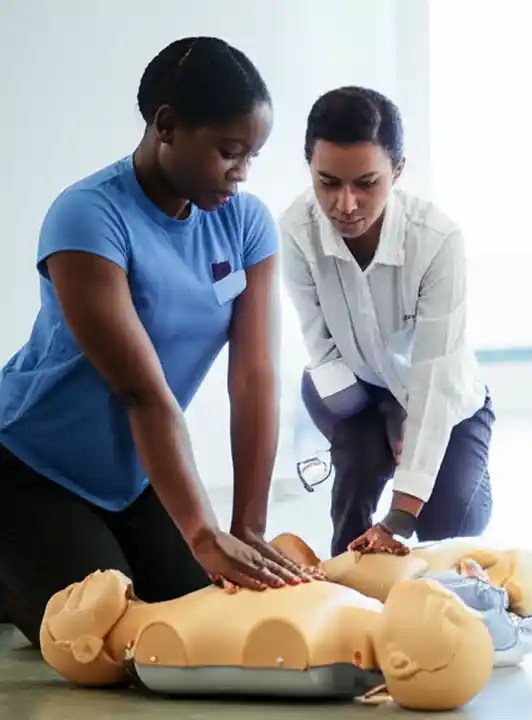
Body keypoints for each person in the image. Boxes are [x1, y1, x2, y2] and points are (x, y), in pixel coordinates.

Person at [0, 36, 307, 645]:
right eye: (228, 152)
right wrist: (200, 532)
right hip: (31, 470)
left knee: (202, 615)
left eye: (253, 155)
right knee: (106, 636)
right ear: (166, 126)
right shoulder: (87, 218)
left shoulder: (244, 224)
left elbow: (254, 381)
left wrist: (246, 526)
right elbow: (142, 392)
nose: (242, 173)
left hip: (135, 480)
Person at [279, 87, 493, 559]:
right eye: (328, 182)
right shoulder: (296, 230)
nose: (346, 205)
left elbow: (436, 379)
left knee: (447, 523)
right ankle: (342, 574)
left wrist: (400, 516)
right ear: (310, 169)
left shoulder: (437, 241)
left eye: (366, 183)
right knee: (361, 455)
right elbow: (323, 349)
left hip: (441, 392)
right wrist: (384, 413)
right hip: (350, 388)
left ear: (397, 171)